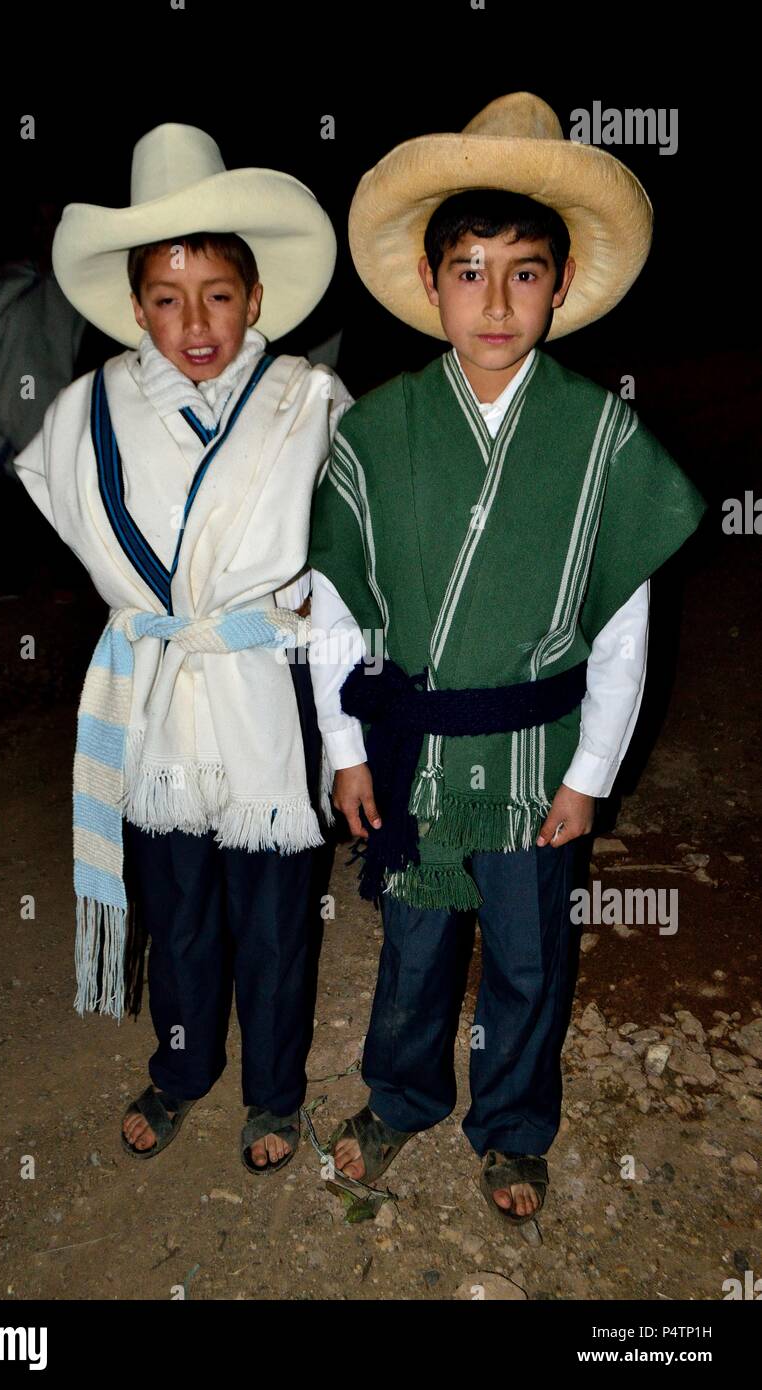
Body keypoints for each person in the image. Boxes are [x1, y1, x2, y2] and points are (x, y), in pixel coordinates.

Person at [305, 93, 707, 1224]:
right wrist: (344, 749)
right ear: (429, 282)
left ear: (561, 283)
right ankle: (397, 1097)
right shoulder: (374, 431)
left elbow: (620, 625)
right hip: (412, 753)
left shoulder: (600, 434)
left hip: (534, 758)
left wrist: (589, 777)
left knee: (529, 959)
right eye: (468, 269)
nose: (493, 299)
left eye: (522, 271)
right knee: (415, 946)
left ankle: (514, 1127)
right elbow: (336, 608)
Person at [13, 123, 351, 1173]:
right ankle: (181, 1067)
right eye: (165, 295)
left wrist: (347, 729)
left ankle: (275, 1092)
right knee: (178, 905)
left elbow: (336, 579)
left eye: (216, 293)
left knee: (275, 915)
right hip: (159, 697)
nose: (193, 320)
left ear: (254, 299)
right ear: (133, 305)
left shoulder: (308, 400)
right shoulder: (83, 417)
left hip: (265, 691)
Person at [0, 200, 88, 605]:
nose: (46, 230)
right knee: (4, 499)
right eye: (40, 221)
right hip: (4, 405)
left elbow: (79, 351)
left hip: (54, 405)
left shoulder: (76, 290)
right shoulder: (6, 280)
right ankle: (5, 579)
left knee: (60, 494)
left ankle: (68, 578)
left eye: (54, 222)